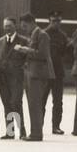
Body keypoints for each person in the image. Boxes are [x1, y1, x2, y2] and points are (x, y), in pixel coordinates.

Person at [16, 13, 53, 141]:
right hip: (32, 74)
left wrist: (24, 49)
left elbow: (43, 54)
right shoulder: (33, 35)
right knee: (33, 104)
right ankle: (35, 132)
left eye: (25, 26)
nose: (24, 29)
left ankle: (36, 134)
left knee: (35, 104)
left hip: (38, 75)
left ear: (32, 22)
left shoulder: (42, 35)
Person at [0, 16, 28, 140]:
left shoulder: (23, 41)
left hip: (17, 79)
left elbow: (27, 60)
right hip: (3, 80)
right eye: (5, 26)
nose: (7, 28)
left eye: (9, 26)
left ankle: (22, 131)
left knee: (16, 103)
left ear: (15, 26)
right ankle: (10, 132)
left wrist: (22, 71)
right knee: (7, 104)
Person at [45, 11, 69, 134]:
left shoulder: (63, 36)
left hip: (58, 72)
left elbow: (65, 52)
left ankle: (56, 126)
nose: (56, 23)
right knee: (41, 100)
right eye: (54, 20)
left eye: (58, 21)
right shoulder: (43, 34)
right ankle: (39, 125)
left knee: (58, 101)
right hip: (45, 72)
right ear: (49, 20)